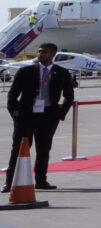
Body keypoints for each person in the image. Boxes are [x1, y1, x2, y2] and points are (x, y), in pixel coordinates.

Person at [7, 42, 75, 190]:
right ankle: (10, 182)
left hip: (48, 116)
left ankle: (41, 181)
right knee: (18, 149)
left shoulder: (62, 73)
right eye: (38, 51)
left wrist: (60, 114)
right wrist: (15, 113)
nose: (40, 54)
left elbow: (69, 96)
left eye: (44, 52)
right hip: (26, 115)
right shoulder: (25, 71)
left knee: (43, 149)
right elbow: (12, 94)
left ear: (52, 55)